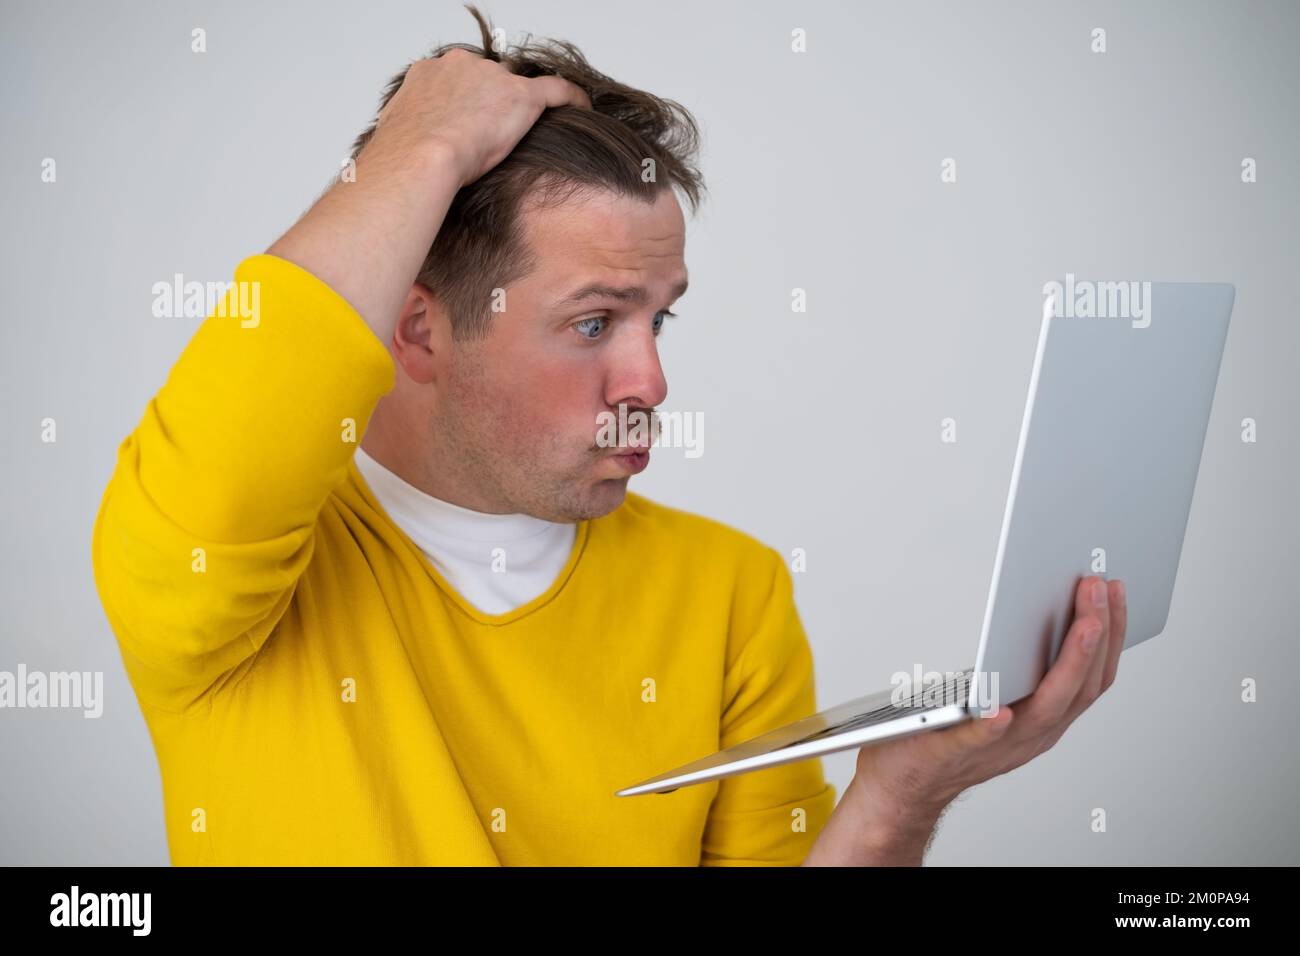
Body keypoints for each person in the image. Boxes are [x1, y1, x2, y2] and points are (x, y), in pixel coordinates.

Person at [90, 4, 1127, 866]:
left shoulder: (730, 591)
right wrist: (424, 141)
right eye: (593, 321)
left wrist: (898, 799)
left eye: (657, 317)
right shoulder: (227, 579)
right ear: (419, 329)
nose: (651, 379)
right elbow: (262, 387)